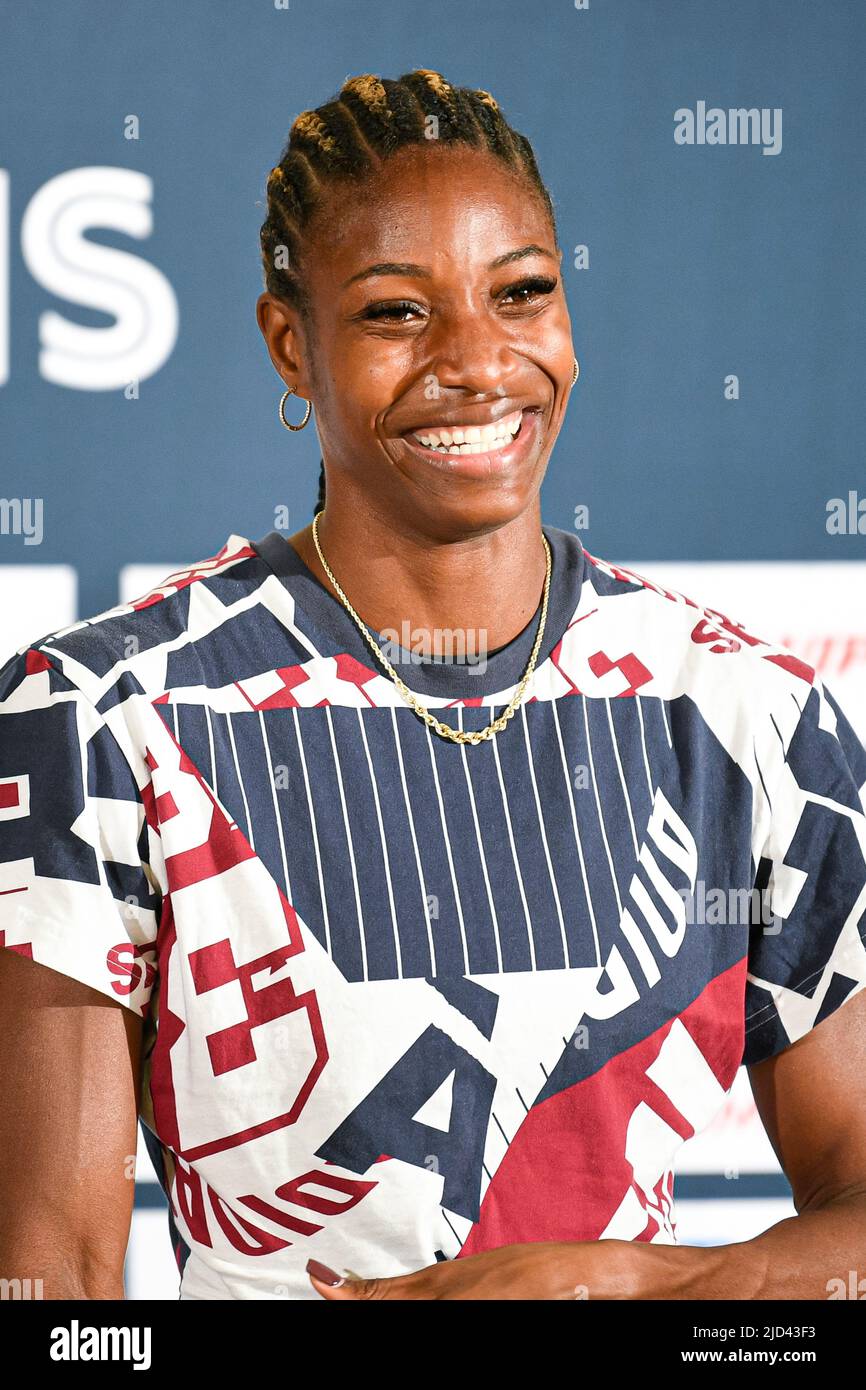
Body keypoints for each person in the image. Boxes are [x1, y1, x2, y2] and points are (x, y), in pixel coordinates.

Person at [1, 68, 865, 1303]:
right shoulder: (101, 715)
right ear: (290, 344)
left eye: (521, 293)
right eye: (397, 312)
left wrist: (622, 1285)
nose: (476, 361)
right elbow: (50, 1300)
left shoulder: (743, 714)